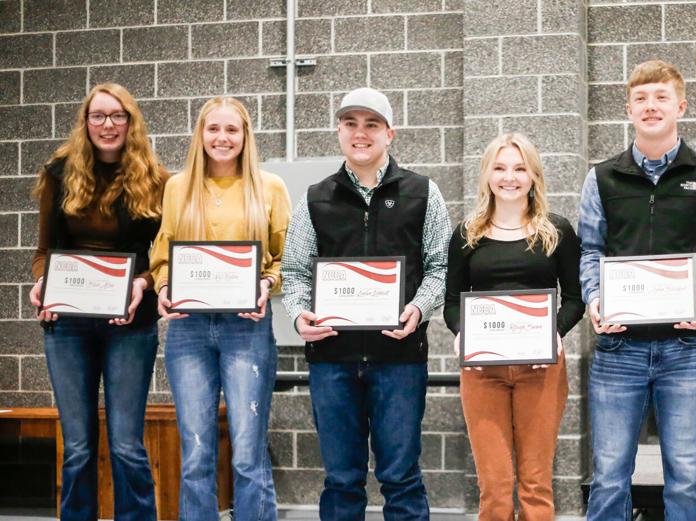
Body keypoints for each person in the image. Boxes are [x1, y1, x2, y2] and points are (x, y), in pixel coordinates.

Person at [578, 59, 696, 520]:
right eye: (641, 98)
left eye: (661, 97)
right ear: (628, 109)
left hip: (685, 349)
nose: (651, 106)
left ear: (681, 106)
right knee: (610, 475)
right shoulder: (602, 178)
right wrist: (595, 298)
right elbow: (589, 250)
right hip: (618, 350)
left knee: (687, 474)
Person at [280, 87, 451, 521]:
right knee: (341, 480)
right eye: (351, 123)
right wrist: (300, 316)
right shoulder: (314, 198)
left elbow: (441, 268)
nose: (361, 133)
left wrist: (418, 308)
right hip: (331, 360)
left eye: (371, 124)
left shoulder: (423, 193)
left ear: (389, 133)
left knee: (402, 477)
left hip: (399, 358)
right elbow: (295, 272)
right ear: (338, 131)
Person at [28, 82, 168, 521]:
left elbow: (161, 257)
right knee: (78, 447)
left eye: (117, 115)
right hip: (68, 324)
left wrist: (143, 282)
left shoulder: (157, 180)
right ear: (85, 123)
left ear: (132, 122)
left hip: (131, 323)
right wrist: (41, 285)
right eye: (98, 116)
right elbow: (43, 253)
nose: (108, 125)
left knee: (127, 445)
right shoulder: (59, 172)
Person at [149, 97, 290, 521]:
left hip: (245, 330)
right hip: (188, 331)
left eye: (232, 129)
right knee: (195, 454)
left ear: (245, 136)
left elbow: (288, 259)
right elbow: (162, 254)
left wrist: (266, 284)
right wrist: (165, 286)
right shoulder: (178, 187)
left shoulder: (269, 187)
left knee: (247, 454)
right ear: (200, 135)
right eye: (214, 129)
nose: (222, 138)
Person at [443, 133, 584, 520]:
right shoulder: (466, 234)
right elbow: (452, 302)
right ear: (487, 174)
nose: (510, 177)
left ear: (534, 176)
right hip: (481, 370)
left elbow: (575, 298)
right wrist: (461, 333)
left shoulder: (556, 231)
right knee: (495, 485)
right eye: (500, 167)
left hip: (540, 368)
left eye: (520, 168)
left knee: (536, 484)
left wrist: (554, 332)